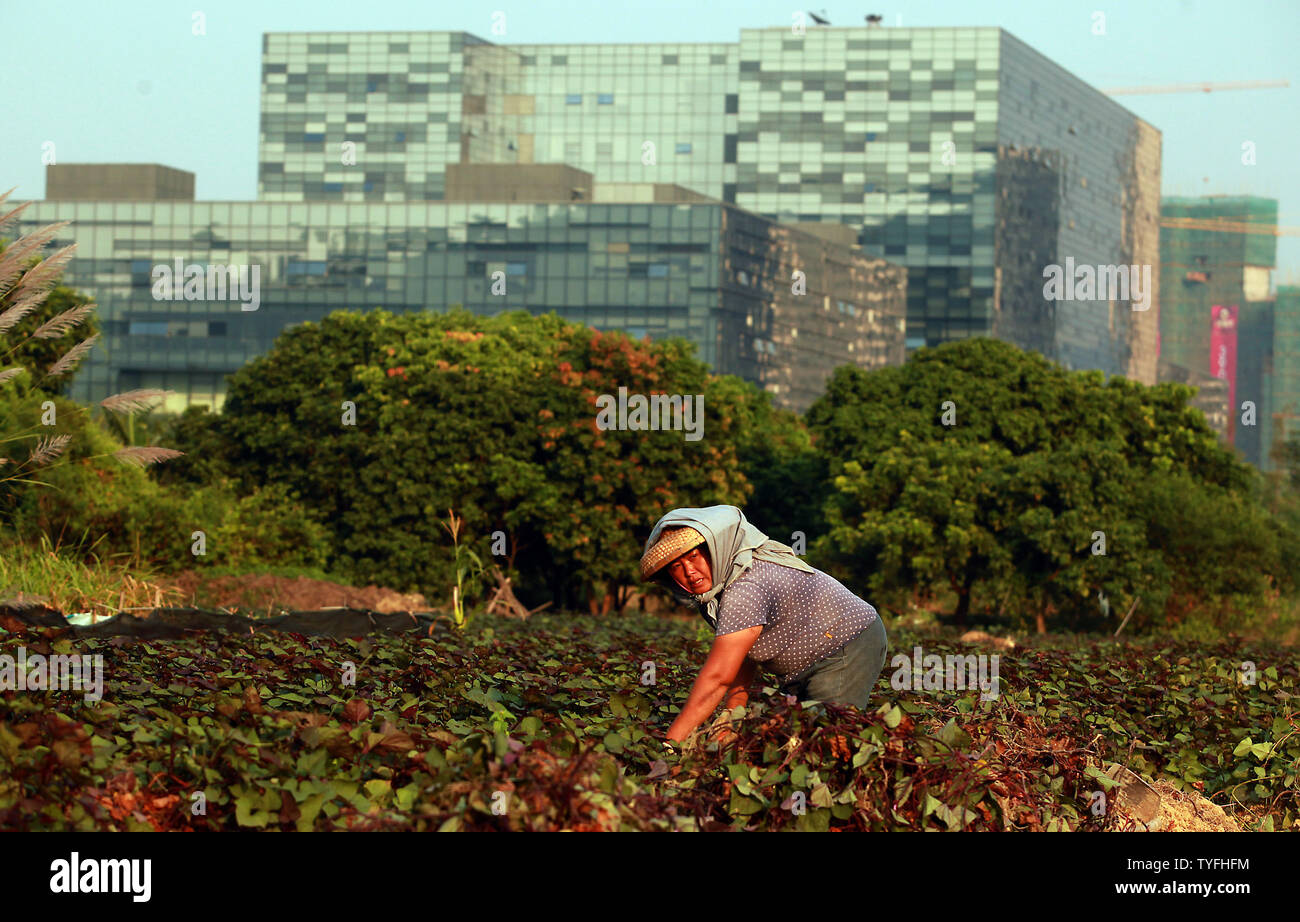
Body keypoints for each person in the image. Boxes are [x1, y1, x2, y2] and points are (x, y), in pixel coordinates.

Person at [640, 504, 888, 746]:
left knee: (829, 743)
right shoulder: (717, 592)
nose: (690, 572)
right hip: (805, 666)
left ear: (712, 550)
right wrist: (731, 719)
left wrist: (670, 744)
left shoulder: (745, 587)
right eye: (676, 567)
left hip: (847, 645)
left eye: (694, 557)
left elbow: (717, 678)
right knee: (793, 743)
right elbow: (741, 657)